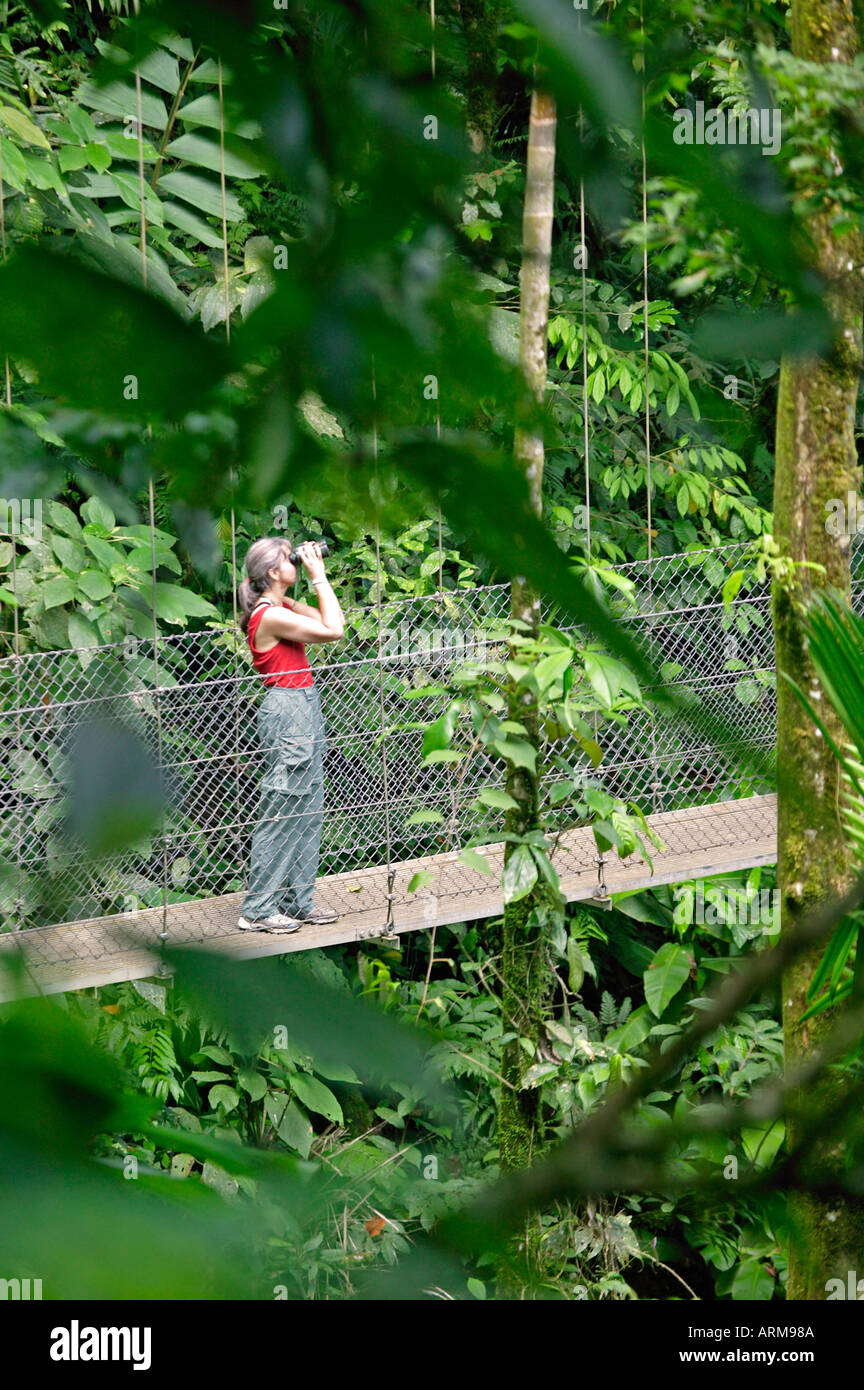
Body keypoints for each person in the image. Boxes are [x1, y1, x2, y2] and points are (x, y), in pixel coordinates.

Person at [236, 536, 345, 933]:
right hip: (288, 711)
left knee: (308, 810)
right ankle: (258, 910)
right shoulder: (268, 615)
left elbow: (322, 620)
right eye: (290, 558)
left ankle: (297, 902)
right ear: (271, 572)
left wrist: (310, 582)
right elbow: (334, 630)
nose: (298, 561)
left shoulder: (278, 606)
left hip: (303, 705)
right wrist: (318, 576)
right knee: (283, 811)